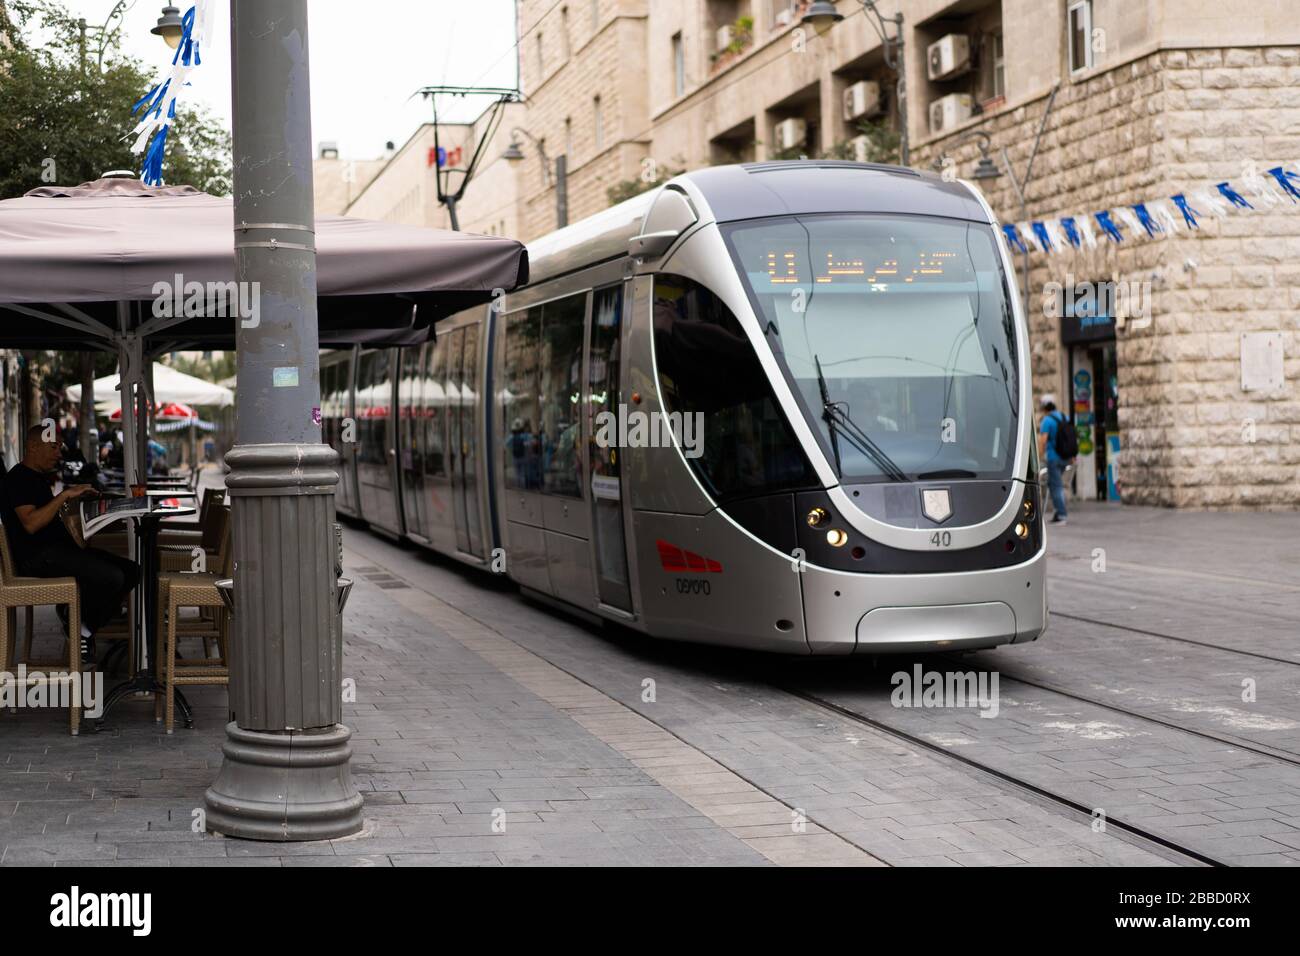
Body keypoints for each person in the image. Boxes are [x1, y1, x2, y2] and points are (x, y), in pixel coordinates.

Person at [1, 425, 139, 665]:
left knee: (132, 571)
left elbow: (51, 516)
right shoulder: (17, 478)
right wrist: (64, 496)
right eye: (53, 447)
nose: (58, 454)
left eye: (59, 448)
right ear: (33, 446)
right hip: (38, 559)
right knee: (112, 577)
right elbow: (31, 524)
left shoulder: (37, 478)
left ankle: (77, 618)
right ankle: (80, 626)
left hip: (58, 552)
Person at [1037, 394, 1072, 525]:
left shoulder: (1047, 421)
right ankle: (1058, 513)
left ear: (1045, 407)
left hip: (1053, 458)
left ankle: (1062, 515)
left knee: (1056, 486)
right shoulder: (1064, 417)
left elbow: (1043, 441)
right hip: (1065, 457)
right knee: (1055, 484)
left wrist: (1039, 456)